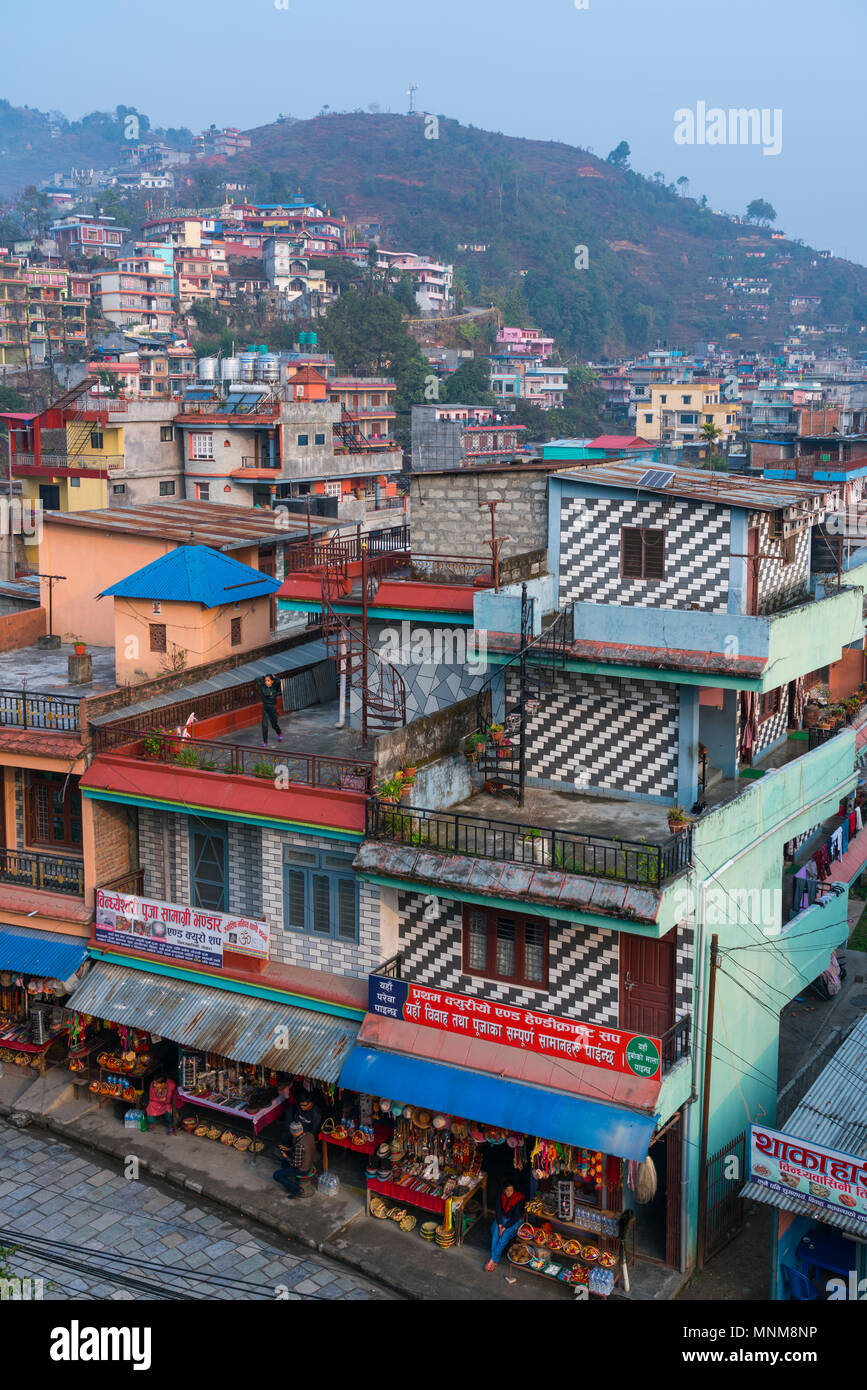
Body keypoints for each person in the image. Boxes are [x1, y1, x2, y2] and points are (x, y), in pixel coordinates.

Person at [485, 1182, 526, 1271]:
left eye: (511, 1190)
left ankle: (492, 1260)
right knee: (496, 1233)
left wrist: (504, 1228)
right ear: (504, 1190)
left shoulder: (519, 1198)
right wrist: (500, 1225)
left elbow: (516, 1216)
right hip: (503, 1218)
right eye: (507, 1190)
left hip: (515, 1221)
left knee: (504, 1236)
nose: (509, 1192)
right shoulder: (501, 1195)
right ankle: (495, 1260)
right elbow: (498, 1210)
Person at [272, 1121, 316, 1198]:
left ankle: (297, 1189)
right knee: (284, 1163)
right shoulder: (309, 1135)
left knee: (276, 1175)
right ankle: (288, 1179)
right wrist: (289, 1149)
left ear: (294, 1132)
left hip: (303, 1170)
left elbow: (295, 1164)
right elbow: (304, 1151)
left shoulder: (299, 1145)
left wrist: (285, 1156)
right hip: (309, 1162)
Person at [257, 674, 283, 748]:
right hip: (265, 707)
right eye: (265, 681)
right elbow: (257, 679)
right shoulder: (262, 686)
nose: (266, 682)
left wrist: (274, 677)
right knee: (264, 725)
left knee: (274, 724)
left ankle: (279, 733)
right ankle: (265, 742)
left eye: (268, 681)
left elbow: (279, 680)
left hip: (272, 707)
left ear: (272, 681)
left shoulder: (275, 687)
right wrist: (263, 677)